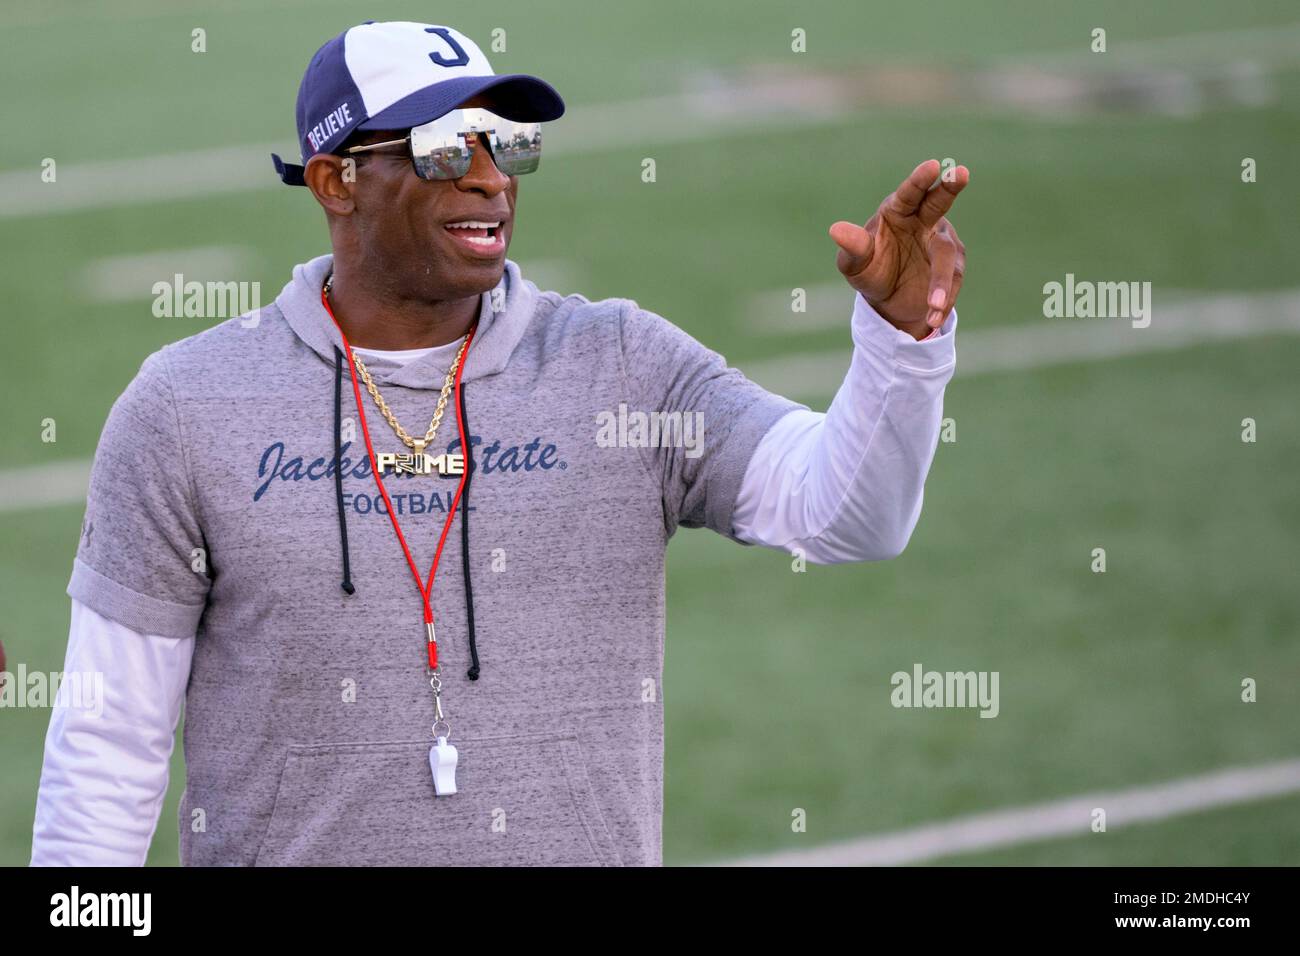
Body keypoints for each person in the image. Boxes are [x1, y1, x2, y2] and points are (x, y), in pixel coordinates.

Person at [31, 20, 968, 866]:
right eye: (444, 148)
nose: (488, 178)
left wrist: (901, 343)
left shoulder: (624, 363)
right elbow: (108, 744)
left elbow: (850, 519)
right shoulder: (186, 404)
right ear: (335, 180)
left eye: (506, 144)